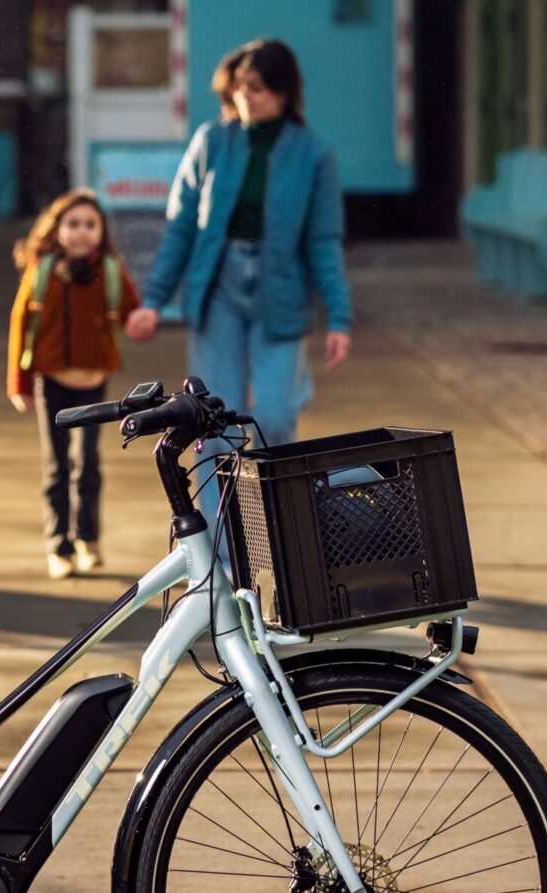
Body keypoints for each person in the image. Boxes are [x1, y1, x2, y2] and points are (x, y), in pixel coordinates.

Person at [125, 39, 352, 536]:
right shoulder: (212, 141)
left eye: (259, 88)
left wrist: (339, 317)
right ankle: (221, 548)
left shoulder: (313, 153)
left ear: (284, 92)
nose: (247, 97)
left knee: (273, 415)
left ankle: (278, 534)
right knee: (211, 423)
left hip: (281, 292)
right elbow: (182, 225)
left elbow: (323, 239)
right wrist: (154, 300)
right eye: (241, 87)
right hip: (218, 287)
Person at [7, 190, 143, 579]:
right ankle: (58, 546)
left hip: (93, 382)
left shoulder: (111, 271)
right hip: (51, 382)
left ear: (101, 231)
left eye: (90, 224)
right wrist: (18, 382)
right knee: (56, 467)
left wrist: (141, 322)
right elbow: (21, 324)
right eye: (73, 224)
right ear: (58, 230)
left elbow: (133, 311)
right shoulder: (44, 269)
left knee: (88, 463)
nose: (81, 232)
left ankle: (88, 540)